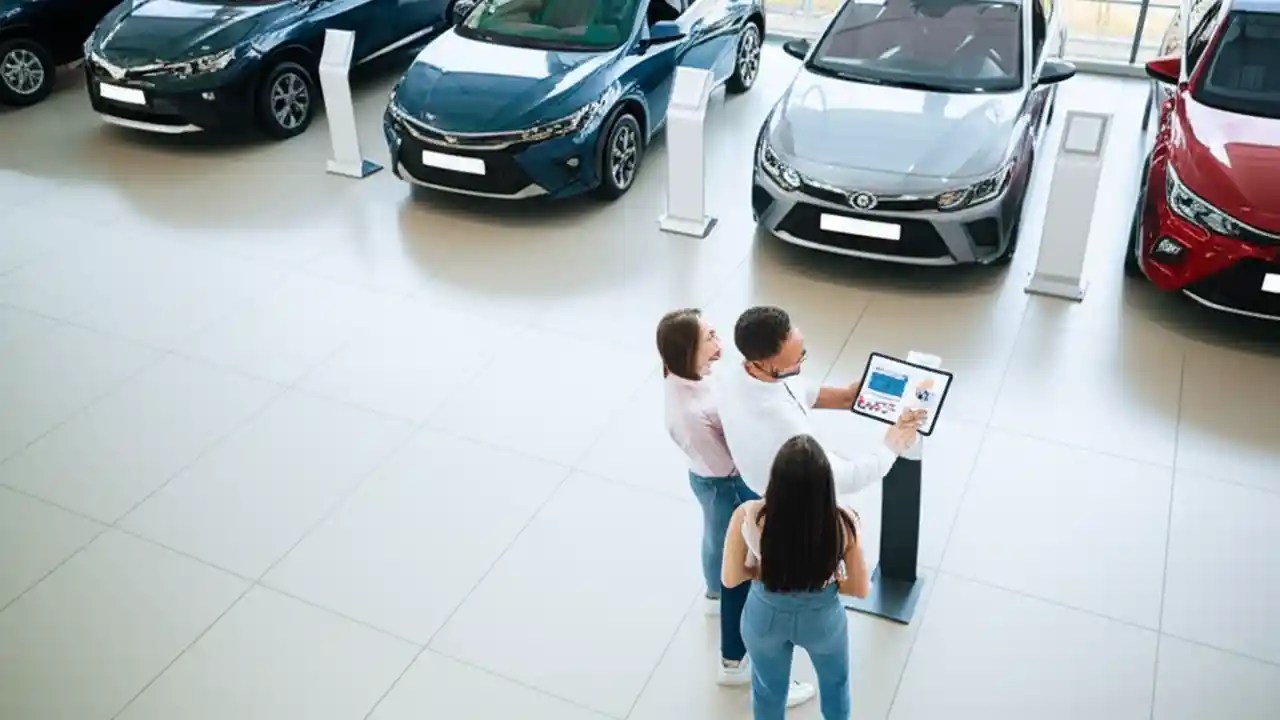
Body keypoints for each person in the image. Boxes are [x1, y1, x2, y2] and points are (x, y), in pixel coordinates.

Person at [656, 309, 817, 708]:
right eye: (710, 336)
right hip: (725, 483)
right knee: (742, 576)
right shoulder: (690, 412)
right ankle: (737, 662)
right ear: (688, 349)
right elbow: (733, 459)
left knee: (719, 549)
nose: (720, 343)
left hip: (710, 481)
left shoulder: (687, 380)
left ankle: (715, 598)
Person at [722, 434, 869, 720]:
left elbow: (730, 579)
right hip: (822, 619)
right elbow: (859, 588)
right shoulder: (845, 521)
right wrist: (823, 574)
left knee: (767, 692)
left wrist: (772, 571)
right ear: (826, 484)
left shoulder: (748, 516)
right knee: (835, 686)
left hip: (765, 616)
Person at [715, 305, 924, 498]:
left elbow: (799, 390)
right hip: (789, 495)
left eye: (802, 353)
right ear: (762, 362)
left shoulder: (742, 369)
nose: (801, 365)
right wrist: (892, 445)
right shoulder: (785, 427)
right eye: (796, 361)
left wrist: (849, 396)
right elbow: (844, 479)